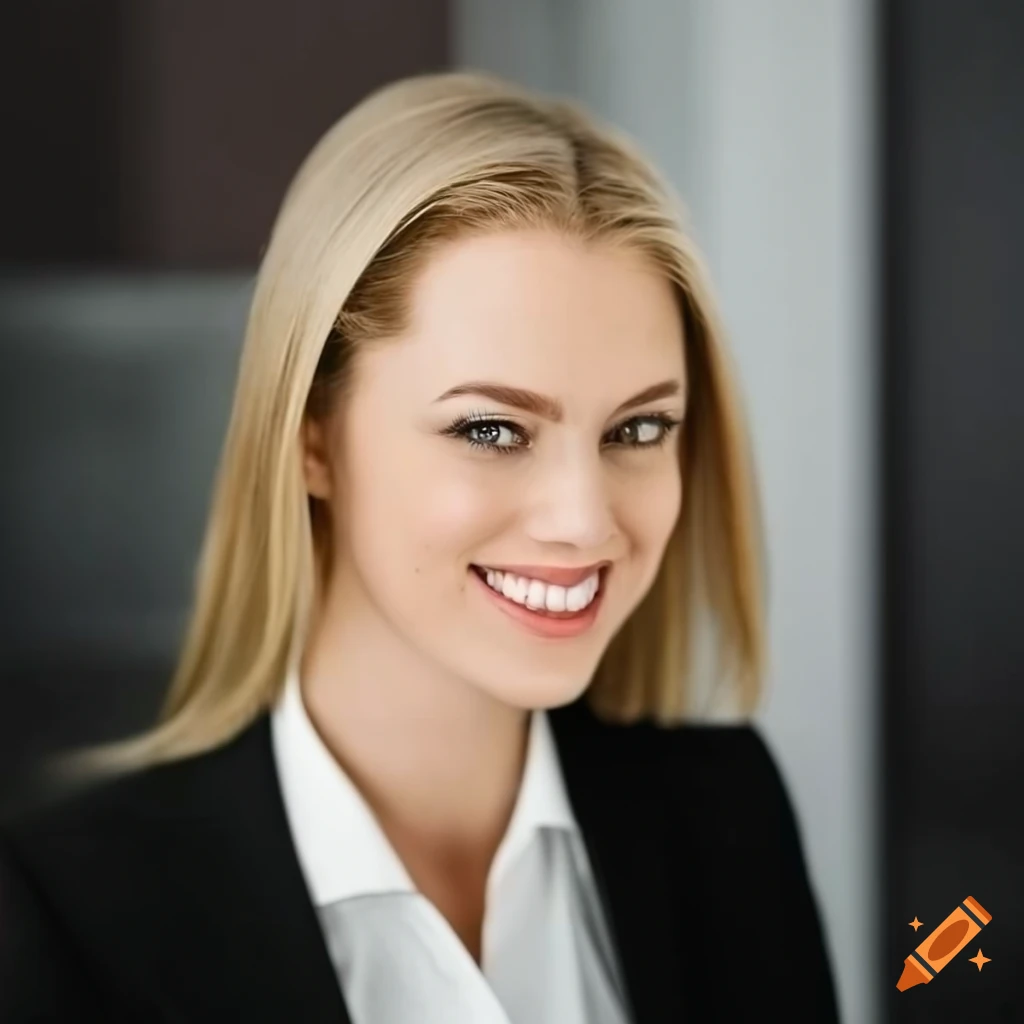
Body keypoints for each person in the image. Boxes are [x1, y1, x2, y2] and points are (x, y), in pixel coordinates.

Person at [0, 71, 840, 1023]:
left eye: (637, 431)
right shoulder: (60, 917)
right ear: (313, 436)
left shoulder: (725, 820)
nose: (584, 519)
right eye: (491, 429)